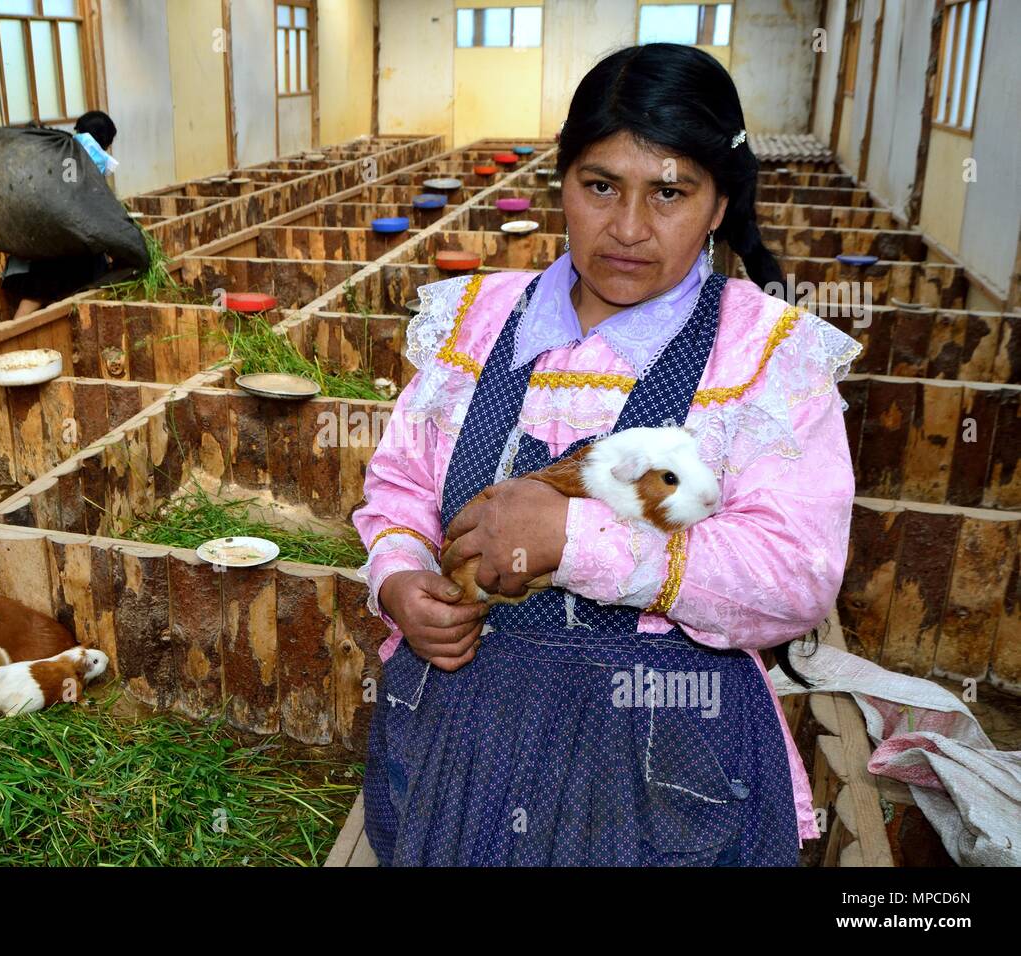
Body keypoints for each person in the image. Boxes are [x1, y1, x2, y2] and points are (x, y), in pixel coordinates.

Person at [351, 43, 862, 866]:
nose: (628, 229)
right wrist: (400, 579)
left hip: (662, 757)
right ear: (562, 182)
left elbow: (795, 574)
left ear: (720, 201)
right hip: (465, 735)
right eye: (600, 186)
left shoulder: (764, 360)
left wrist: (576, 541)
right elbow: (402, 488)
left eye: (670, 192)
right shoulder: (474, 325)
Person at [3, 110, 122, 318]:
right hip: (49, 248)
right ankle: (11, 332)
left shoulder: (66, 153)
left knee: (89, 267)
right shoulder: (79, 157)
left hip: (45, 242)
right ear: (102, 141)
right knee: (40, 289)